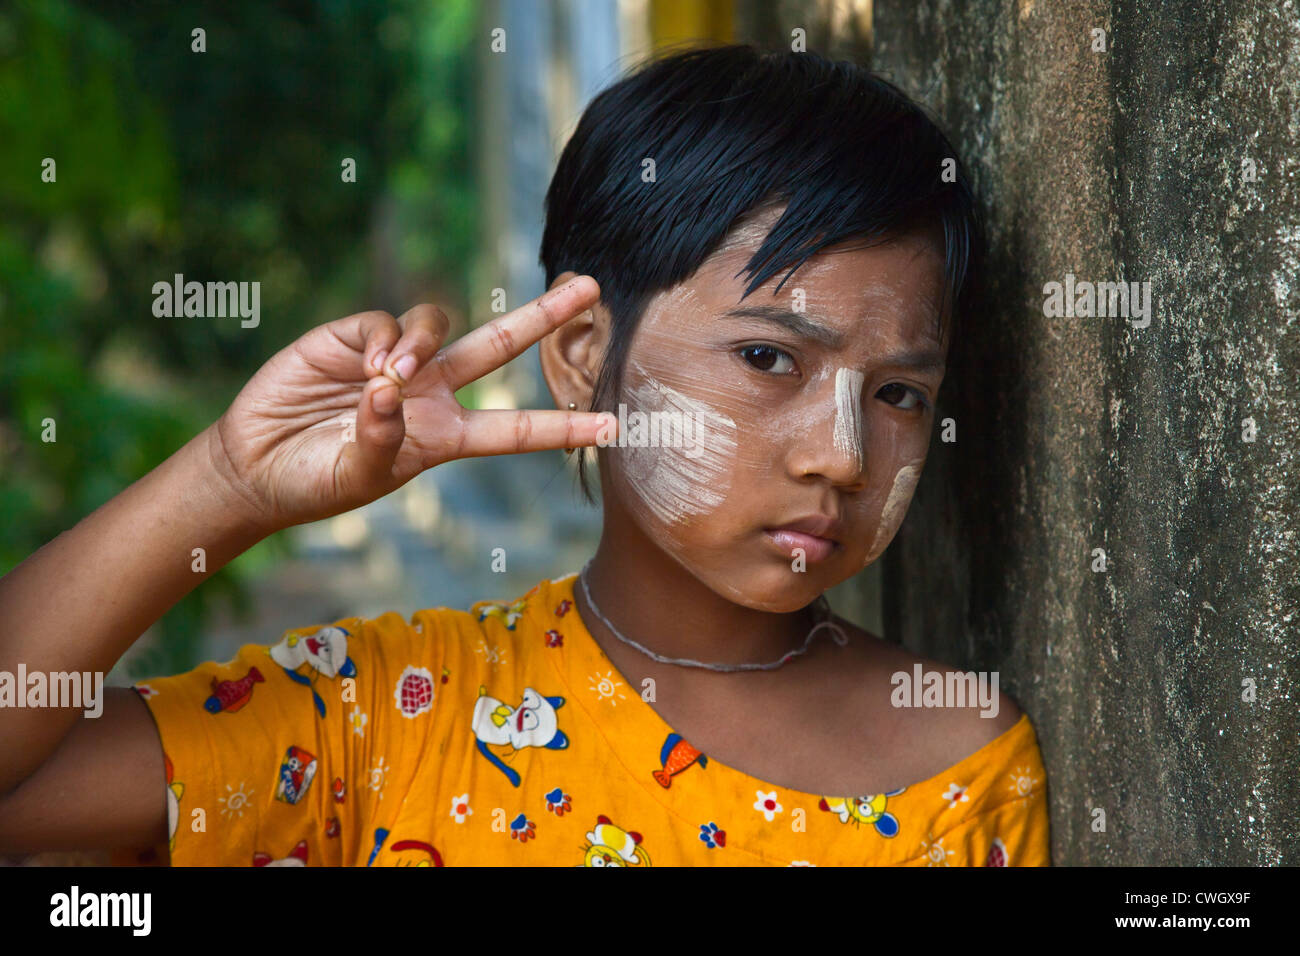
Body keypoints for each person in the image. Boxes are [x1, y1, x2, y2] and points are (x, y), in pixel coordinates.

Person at [0, 44, 1049, 866]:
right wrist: (225, 485)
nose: (843, 454)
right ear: (585, 357)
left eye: (899, 392)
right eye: (769, 356)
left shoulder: (956, 765)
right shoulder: (392, 712)